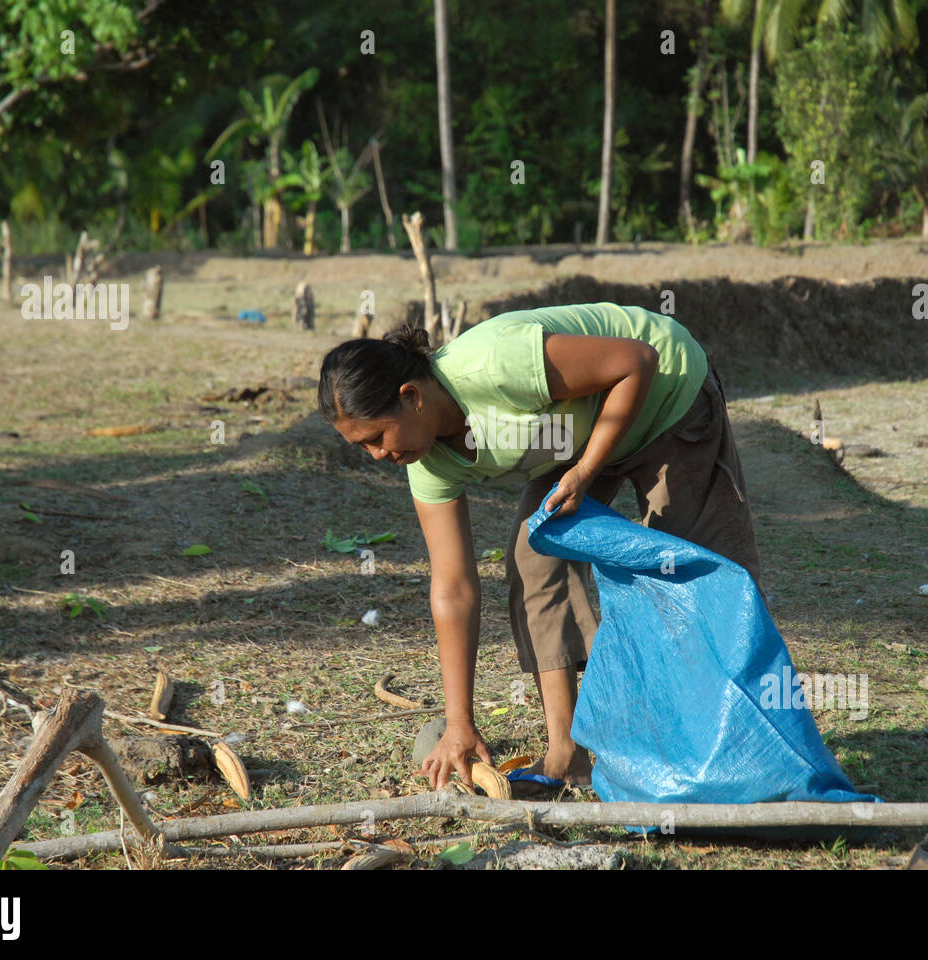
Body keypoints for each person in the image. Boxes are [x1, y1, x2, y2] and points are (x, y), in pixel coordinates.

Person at [318, 302, 764, 792]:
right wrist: (459, 721)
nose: (379, 455)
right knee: (536, 554)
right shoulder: (426, 463)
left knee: (691, 573)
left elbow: (636, 361)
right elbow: (453, 588)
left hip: (664, 393)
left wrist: (587, 470)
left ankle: (739, 747)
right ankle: (568, 756)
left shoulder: (497, 363)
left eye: (377, 436)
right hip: (579, 430)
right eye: (363, 447)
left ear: (411, 397)